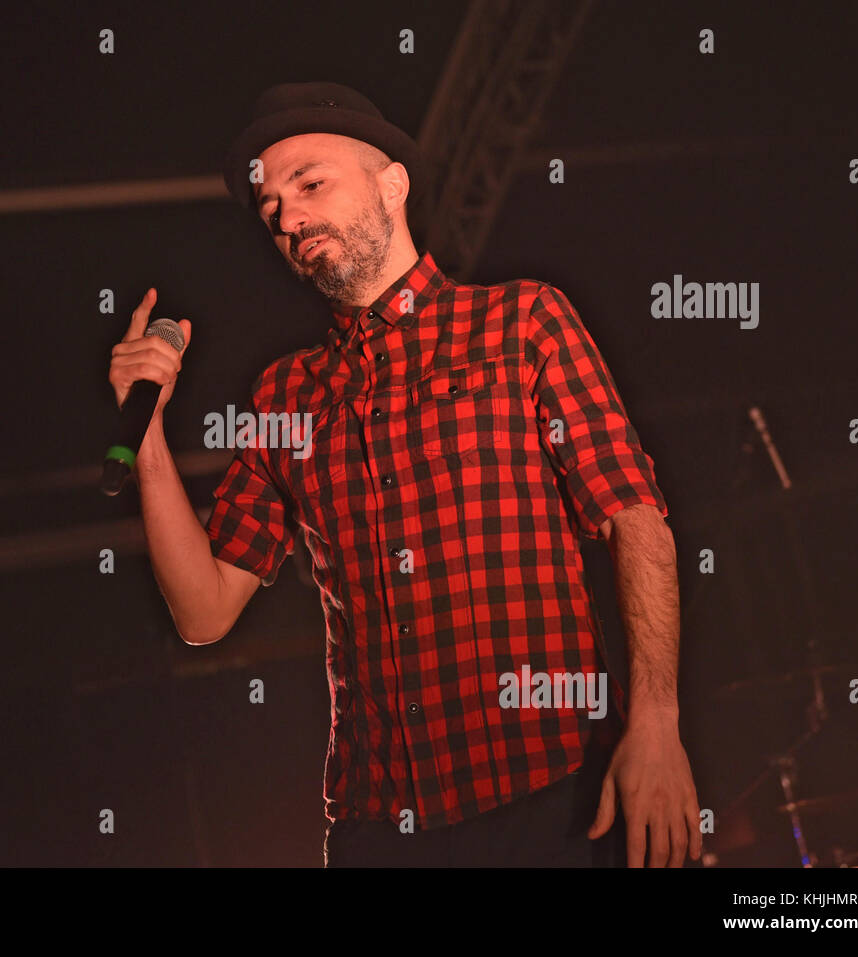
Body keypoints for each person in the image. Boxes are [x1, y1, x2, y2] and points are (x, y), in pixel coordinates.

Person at [108, 82, 701, 867]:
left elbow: (636, 517)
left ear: (392, 184)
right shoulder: (287, 394)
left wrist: (656, 722)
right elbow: (204, 610)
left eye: (310, 183)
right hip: (380, 829)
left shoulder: (522, 320)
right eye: (270, 206)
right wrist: (146, 431)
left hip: (554, 798)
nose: (286, 217)